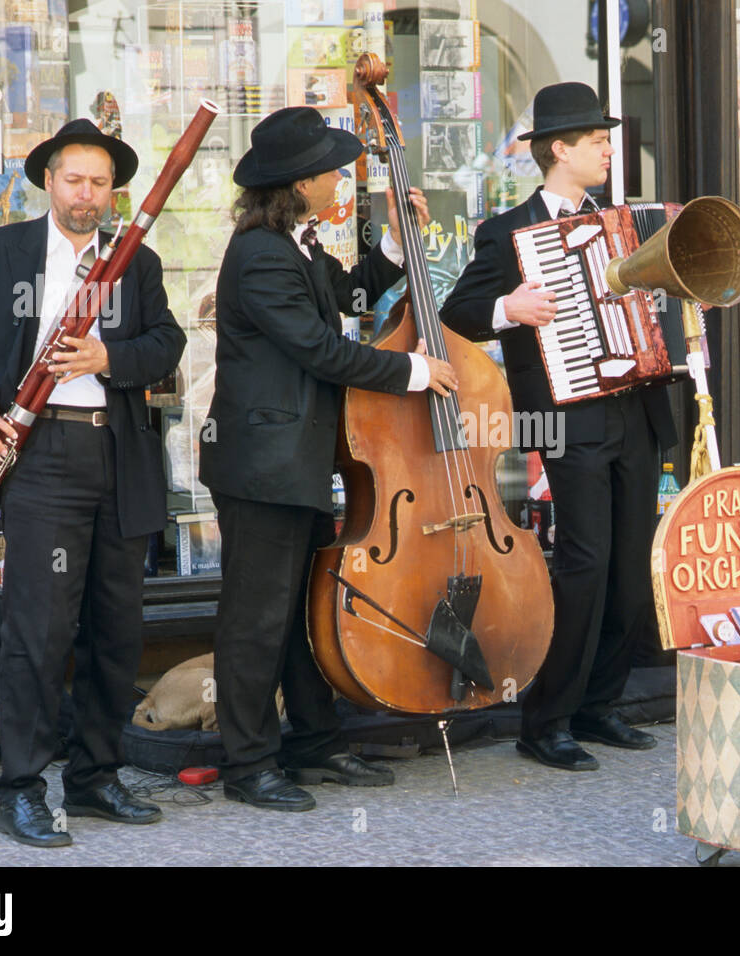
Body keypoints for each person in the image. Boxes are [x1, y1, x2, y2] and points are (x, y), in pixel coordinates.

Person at [0, 119, 187, 845]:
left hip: (121, 457)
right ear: (50, 181)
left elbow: (168, 342)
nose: (88, 194)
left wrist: (107, 357)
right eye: (75, 179)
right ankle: (20, 788)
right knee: (38, 632)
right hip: (40, 459)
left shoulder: (136, 262)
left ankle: (98, 778)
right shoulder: (3, 249)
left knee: (116, 629)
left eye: (101, 182)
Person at [200, 107, 458, 811]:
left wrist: (400, 245)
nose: (341, 179)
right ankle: (248, 764)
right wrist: (411, 372)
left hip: (300, 461)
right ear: (299, 184)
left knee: (301, 612)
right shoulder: (259, 254)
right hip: (263, 467)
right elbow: (319, 349)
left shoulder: (300, 246)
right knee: (256, 619)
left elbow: (348, 294)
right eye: (331, 171)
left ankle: (314, 743)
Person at [440, 83, 676, 771]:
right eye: (597, 139)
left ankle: (600, 705)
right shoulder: (506, 232)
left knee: (632, 570)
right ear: (560, 149)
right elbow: (459, 312)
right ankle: (546, 721)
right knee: (584, 563)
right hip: (564, 418)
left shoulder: (628, 225)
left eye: (608, 139)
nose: (609, 147)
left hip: (635, 409)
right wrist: (510, 307)